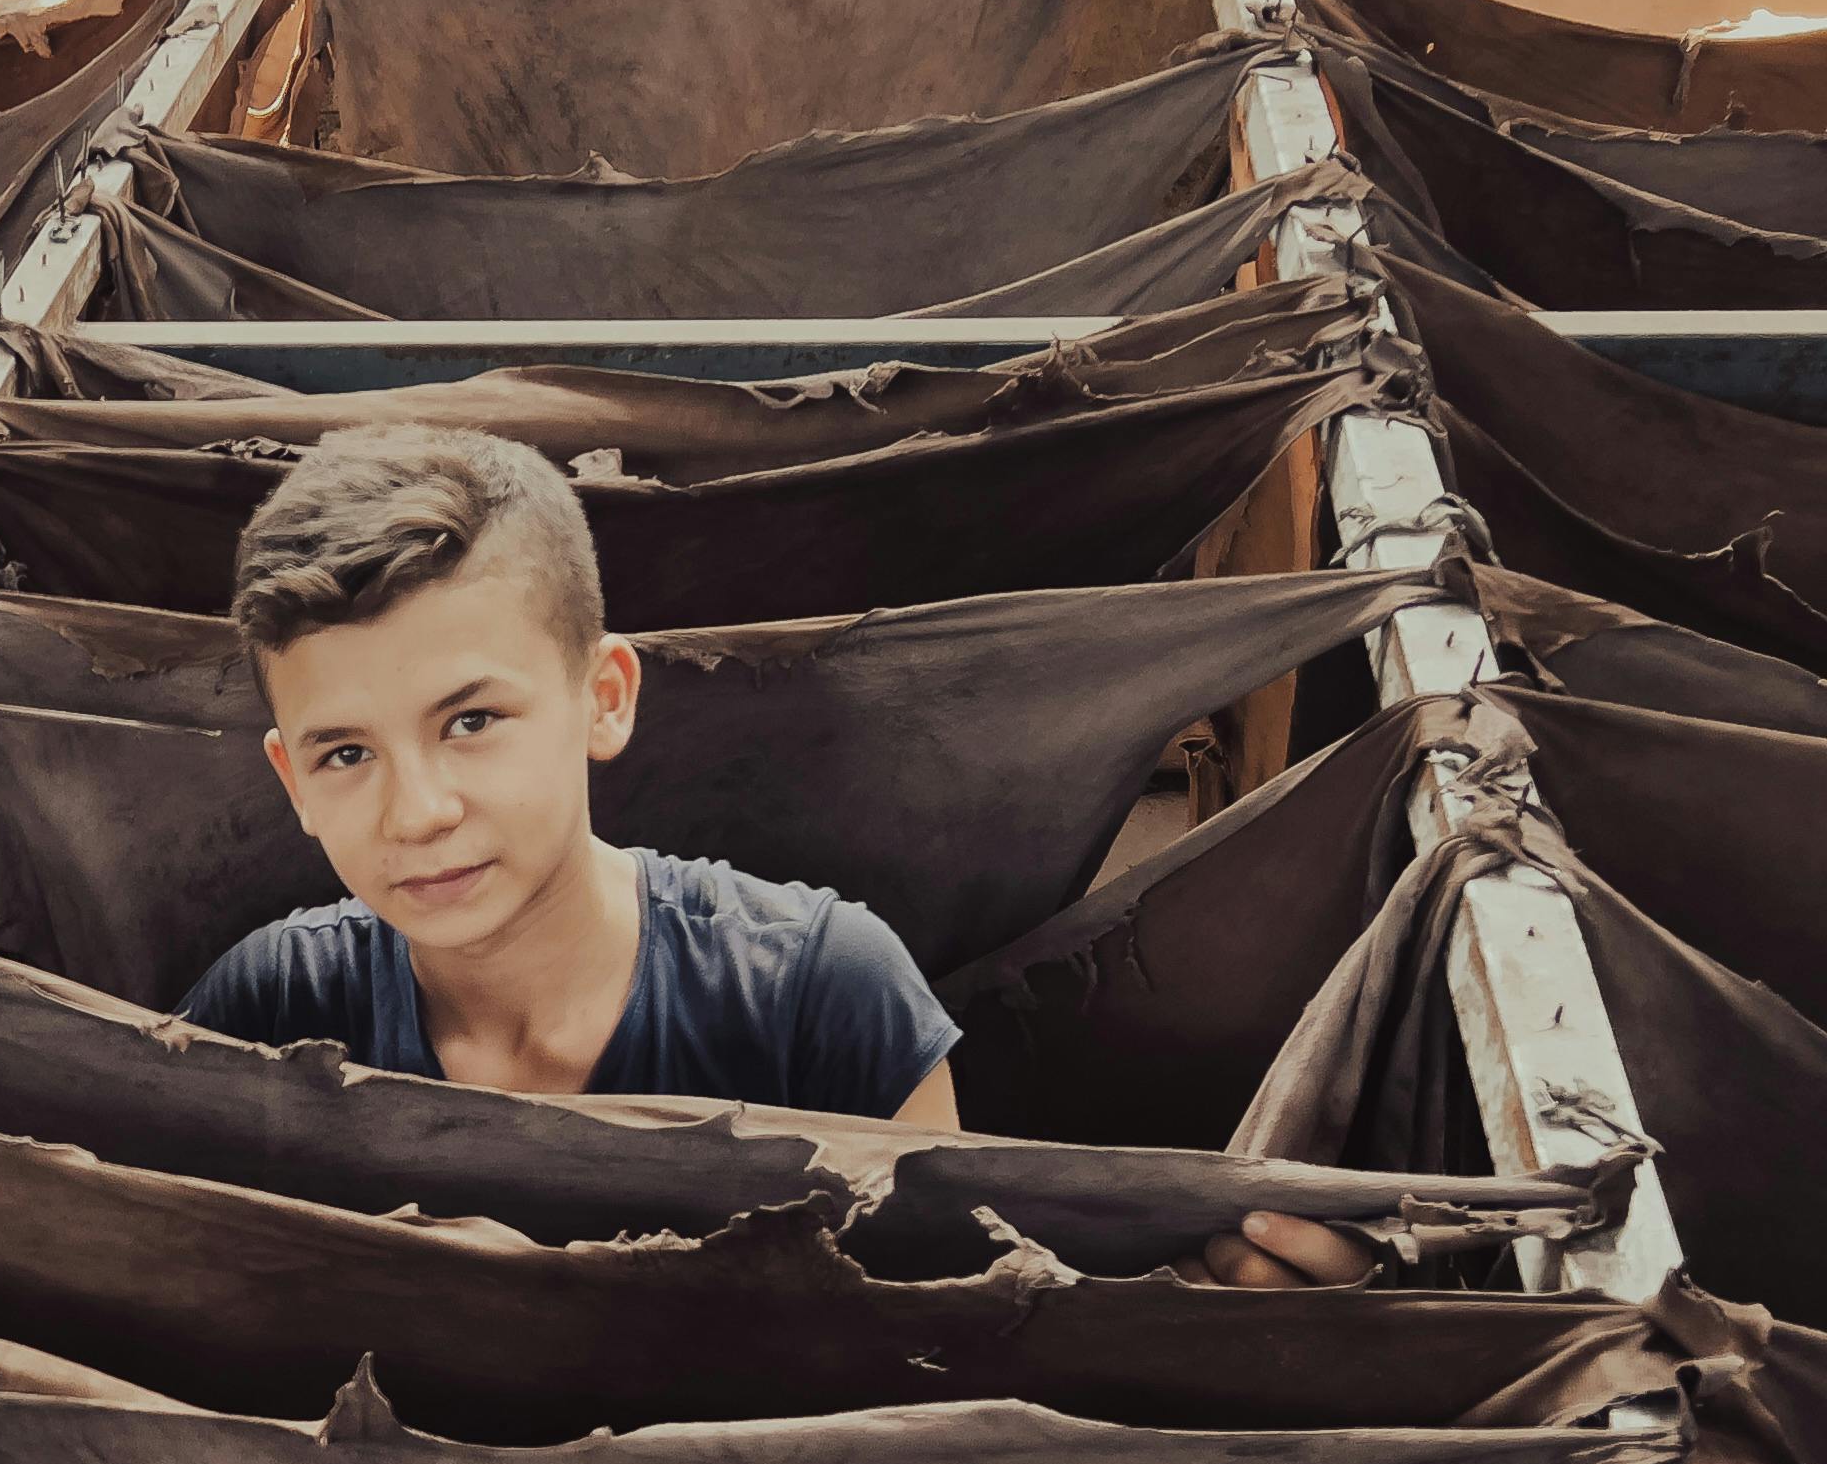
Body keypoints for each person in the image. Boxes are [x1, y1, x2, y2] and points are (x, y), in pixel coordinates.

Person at [175, 425, 1374, 1292]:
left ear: (603, 699)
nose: (418, 810)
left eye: (472, 721)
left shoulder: (821, 994)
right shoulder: (265, 1016)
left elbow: (952, 1333)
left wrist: (1227, 1307)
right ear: (290, 783)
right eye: (346, 754)